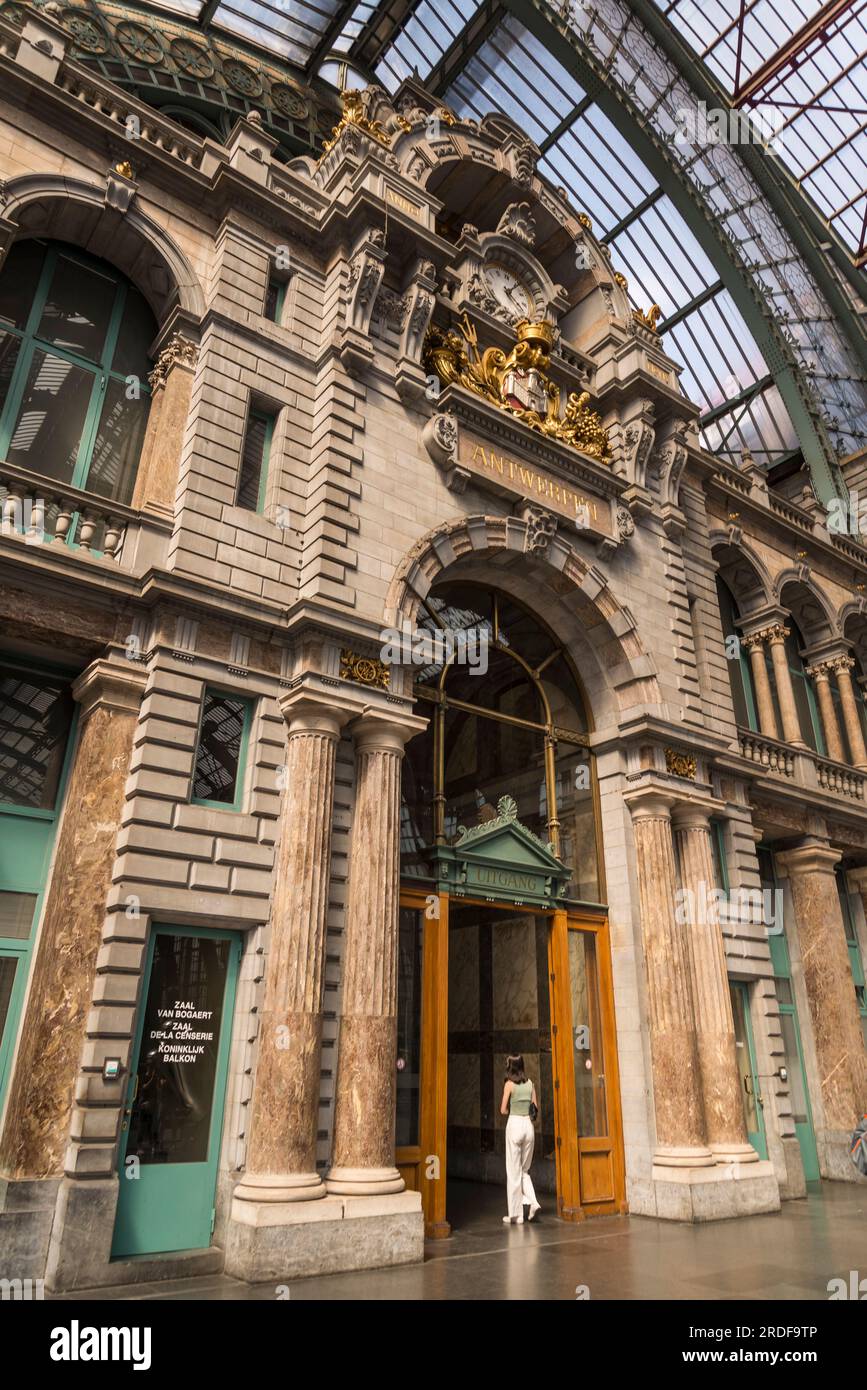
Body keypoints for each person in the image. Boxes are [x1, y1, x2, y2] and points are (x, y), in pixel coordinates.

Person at [500, 1054, 541, 1224]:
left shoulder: (509, 1085)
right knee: (524, 1171)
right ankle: (534, 1202)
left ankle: (516, 1215)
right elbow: (535, 1108)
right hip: (528, 1127)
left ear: (511, 1068)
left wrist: (513, 1108)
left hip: (515, 1124)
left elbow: (502, 1110)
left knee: (513, 1172)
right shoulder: (531, 1084)